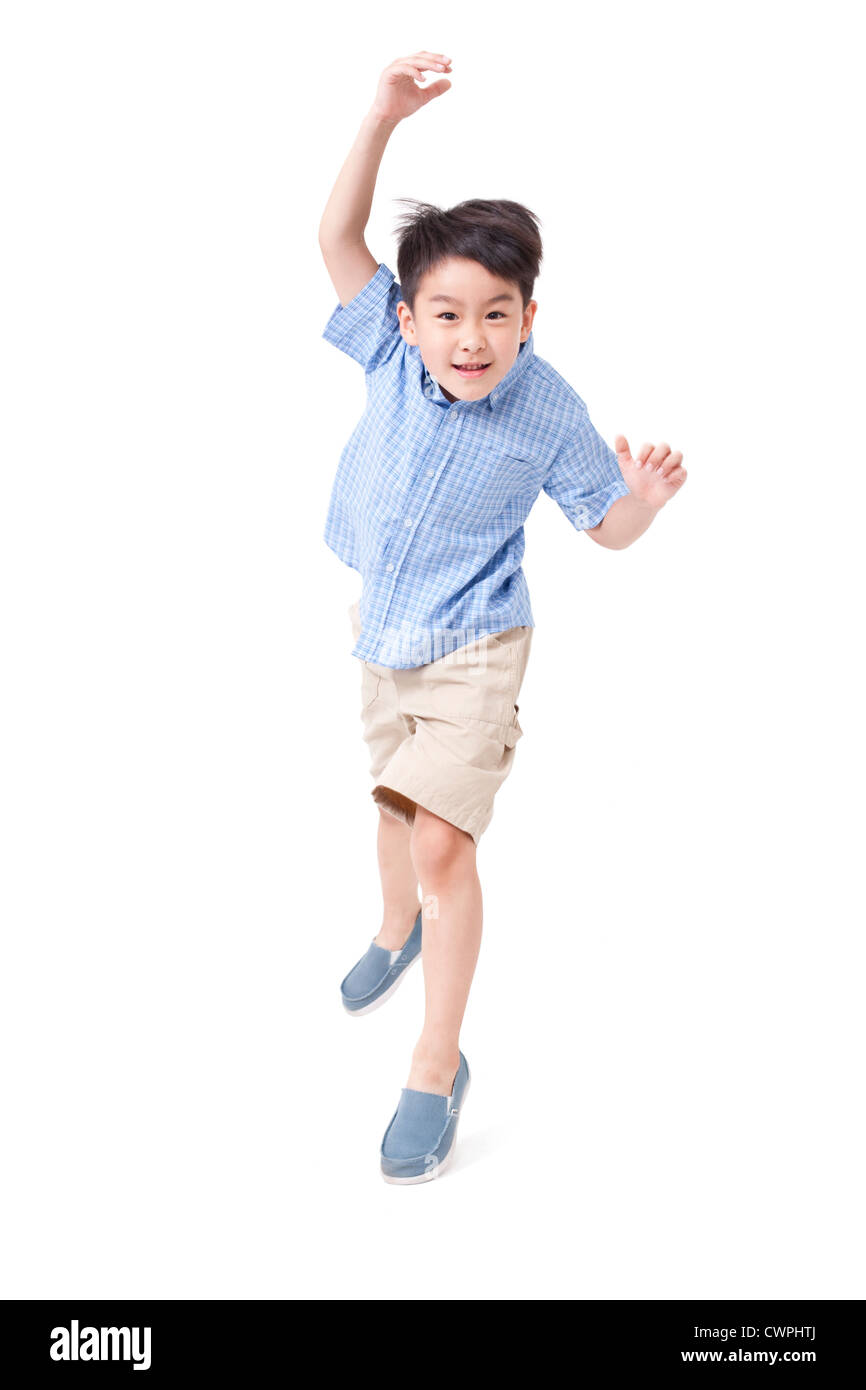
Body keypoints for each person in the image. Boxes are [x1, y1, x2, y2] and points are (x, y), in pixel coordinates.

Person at [318, 51, 687, 1184]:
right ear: (407, 315)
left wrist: (642, 504)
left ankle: (436, 1062)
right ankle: (395, 930)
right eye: (447, 313)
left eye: (495, 314)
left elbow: (600, 529)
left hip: (477, 643)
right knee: (391, 814)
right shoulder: (385, 347)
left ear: (530, 315)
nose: (470, 337)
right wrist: (379, 117)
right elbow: (336, 241)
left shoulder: (546, 406)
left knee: (441, 837)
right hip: (384, 624)